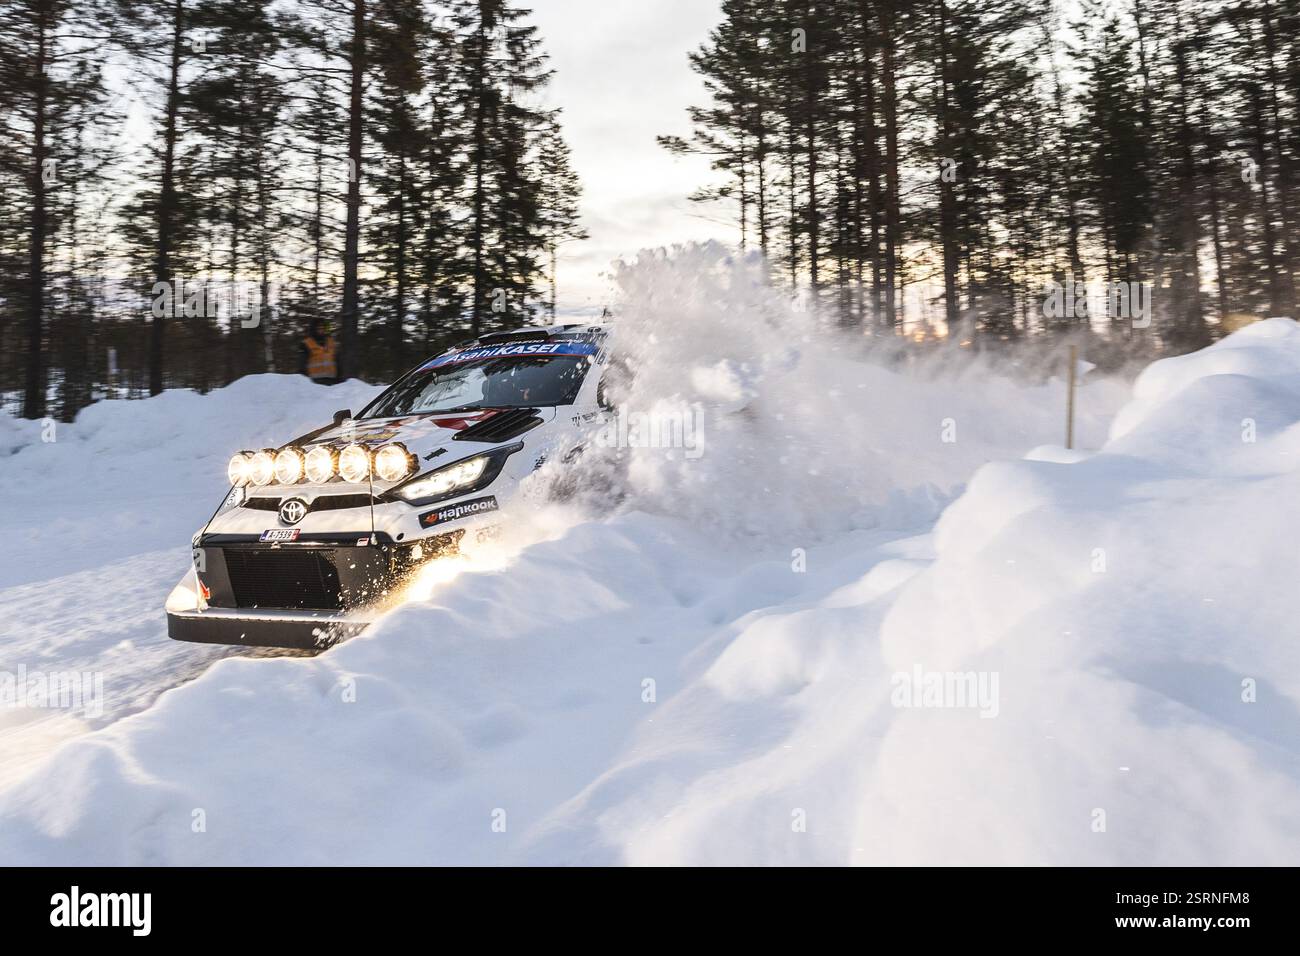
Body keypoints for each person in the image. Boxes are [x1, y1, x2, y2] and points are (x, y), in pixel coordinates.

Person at [300, 319, 339, 385]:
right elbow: (301, 365)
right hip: (314, 382)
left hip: (332, 381)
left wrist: (340, 379)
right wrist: (304, 383)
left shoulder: (331, 342)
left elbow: (338, 360)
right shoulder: (306, 343)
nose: (321, 330)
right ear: (313, 329)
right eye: (318, 328)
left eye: (323, 328)